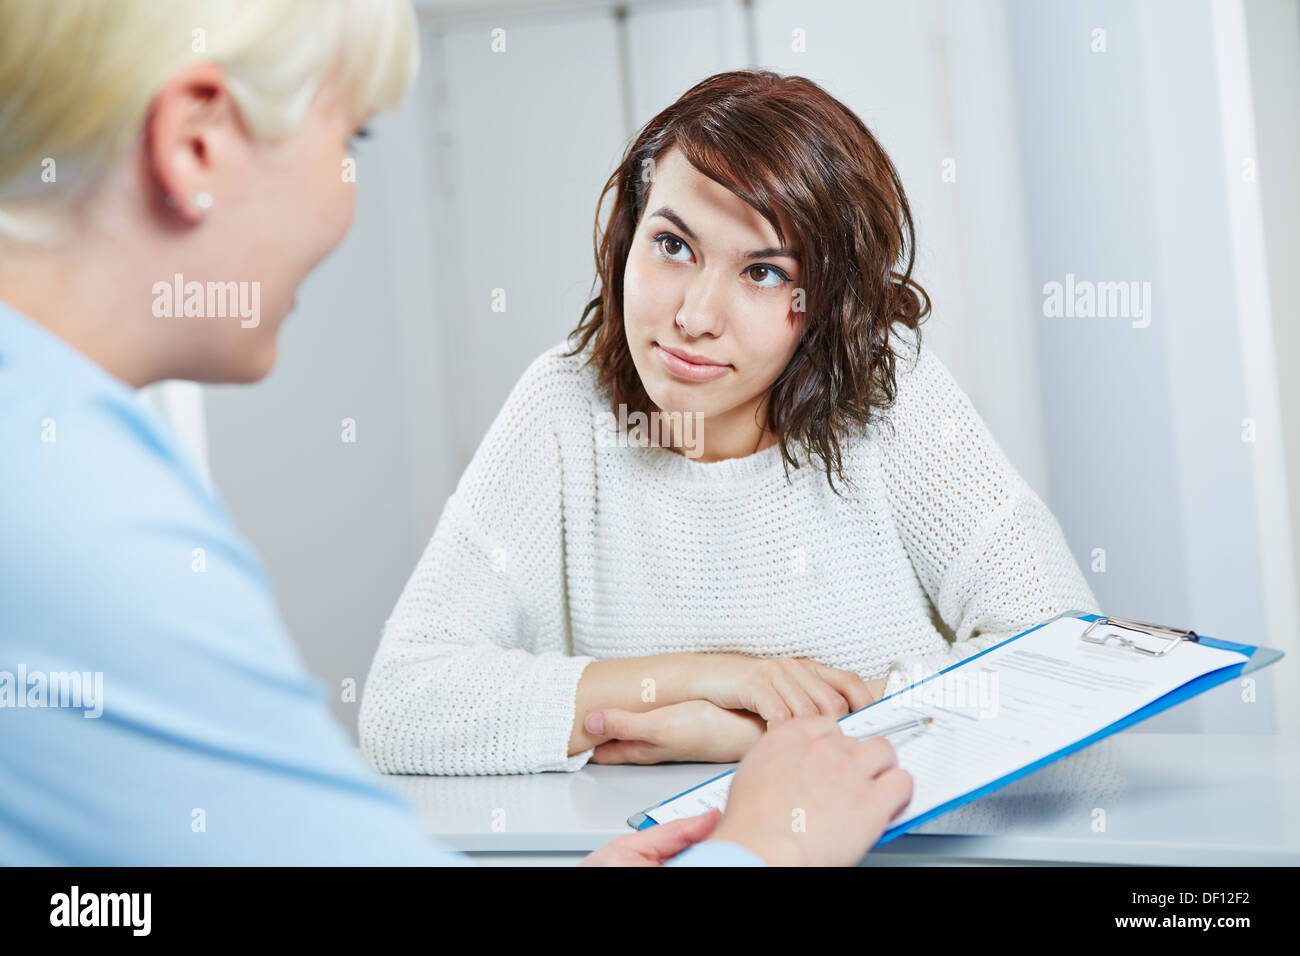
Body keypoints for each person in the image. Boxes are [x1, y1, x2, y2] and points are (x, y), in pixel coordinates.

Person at [0, 0, 912, 867]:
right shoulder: (81, 519)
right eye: (351, 136)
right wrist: (758, 851)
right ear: (194, 142)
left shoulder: (57, 460)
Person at [360, 69, 1101, 776]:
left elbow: (1070, 669)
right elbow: (401, 702)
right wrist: (712, 679)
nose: (693, 317)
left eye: (764, 272)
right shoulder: (564, 402)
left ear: (827, 304)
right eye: (673, 246)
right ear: (627, 237)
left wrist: (761, 736)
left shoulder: (892, 395)